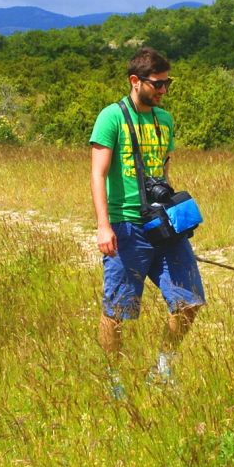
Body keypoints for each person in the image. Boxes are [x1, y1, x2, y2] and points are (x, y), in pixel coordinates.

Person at [90, 47, 204, 394]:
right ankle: (113, 380)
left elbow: (164, 168)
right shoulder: (111, 117)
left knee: (189, 302)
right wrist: (103, 225)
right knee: (118, 309)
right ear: (135, 81)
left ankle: (162, 368)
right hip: (125, 225)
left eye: (168, 83)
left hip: (163, 225)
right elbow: (98, 174)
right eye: (157, 84)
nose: (163, 90)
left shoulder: (164, 120)